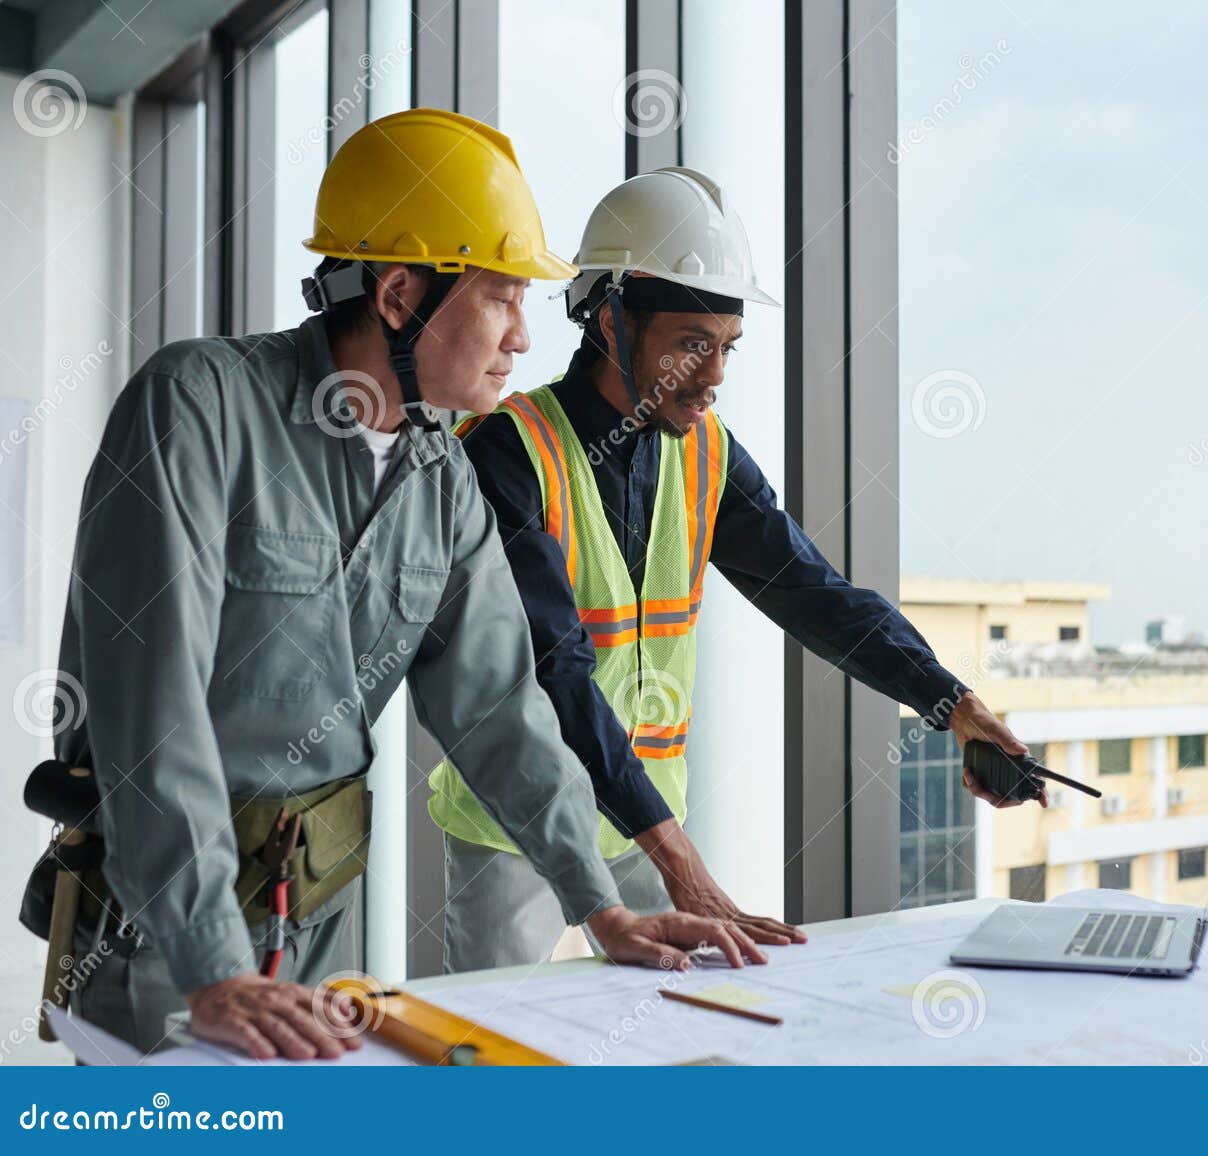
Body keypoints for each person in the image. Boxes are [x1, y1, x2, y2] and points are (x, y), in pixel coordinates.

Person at [34, 113, 761, 1061]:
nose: (520, 336)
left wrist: (602, 907)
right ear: (401, 292)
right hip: (164, 941)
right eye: (501, 296)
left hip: (319, 922)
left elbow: (503, 712)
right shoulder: (198, 406)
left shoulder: (442, 478)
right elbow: (151, 714)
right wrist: (213, 964)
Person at [428, 167, 1032, 971]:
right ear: (609, 323)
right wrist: (684, 866)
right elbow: (556, 669)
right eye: (690, 345)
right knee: (500, 1048)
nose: (714, 375)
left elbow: (813, 593)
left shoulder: (705, 453)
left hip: (645, 815)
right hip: (517, 823)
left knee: (671, 1020)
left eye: (725, 348)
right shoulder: (508, 453)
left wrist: (955, 704)